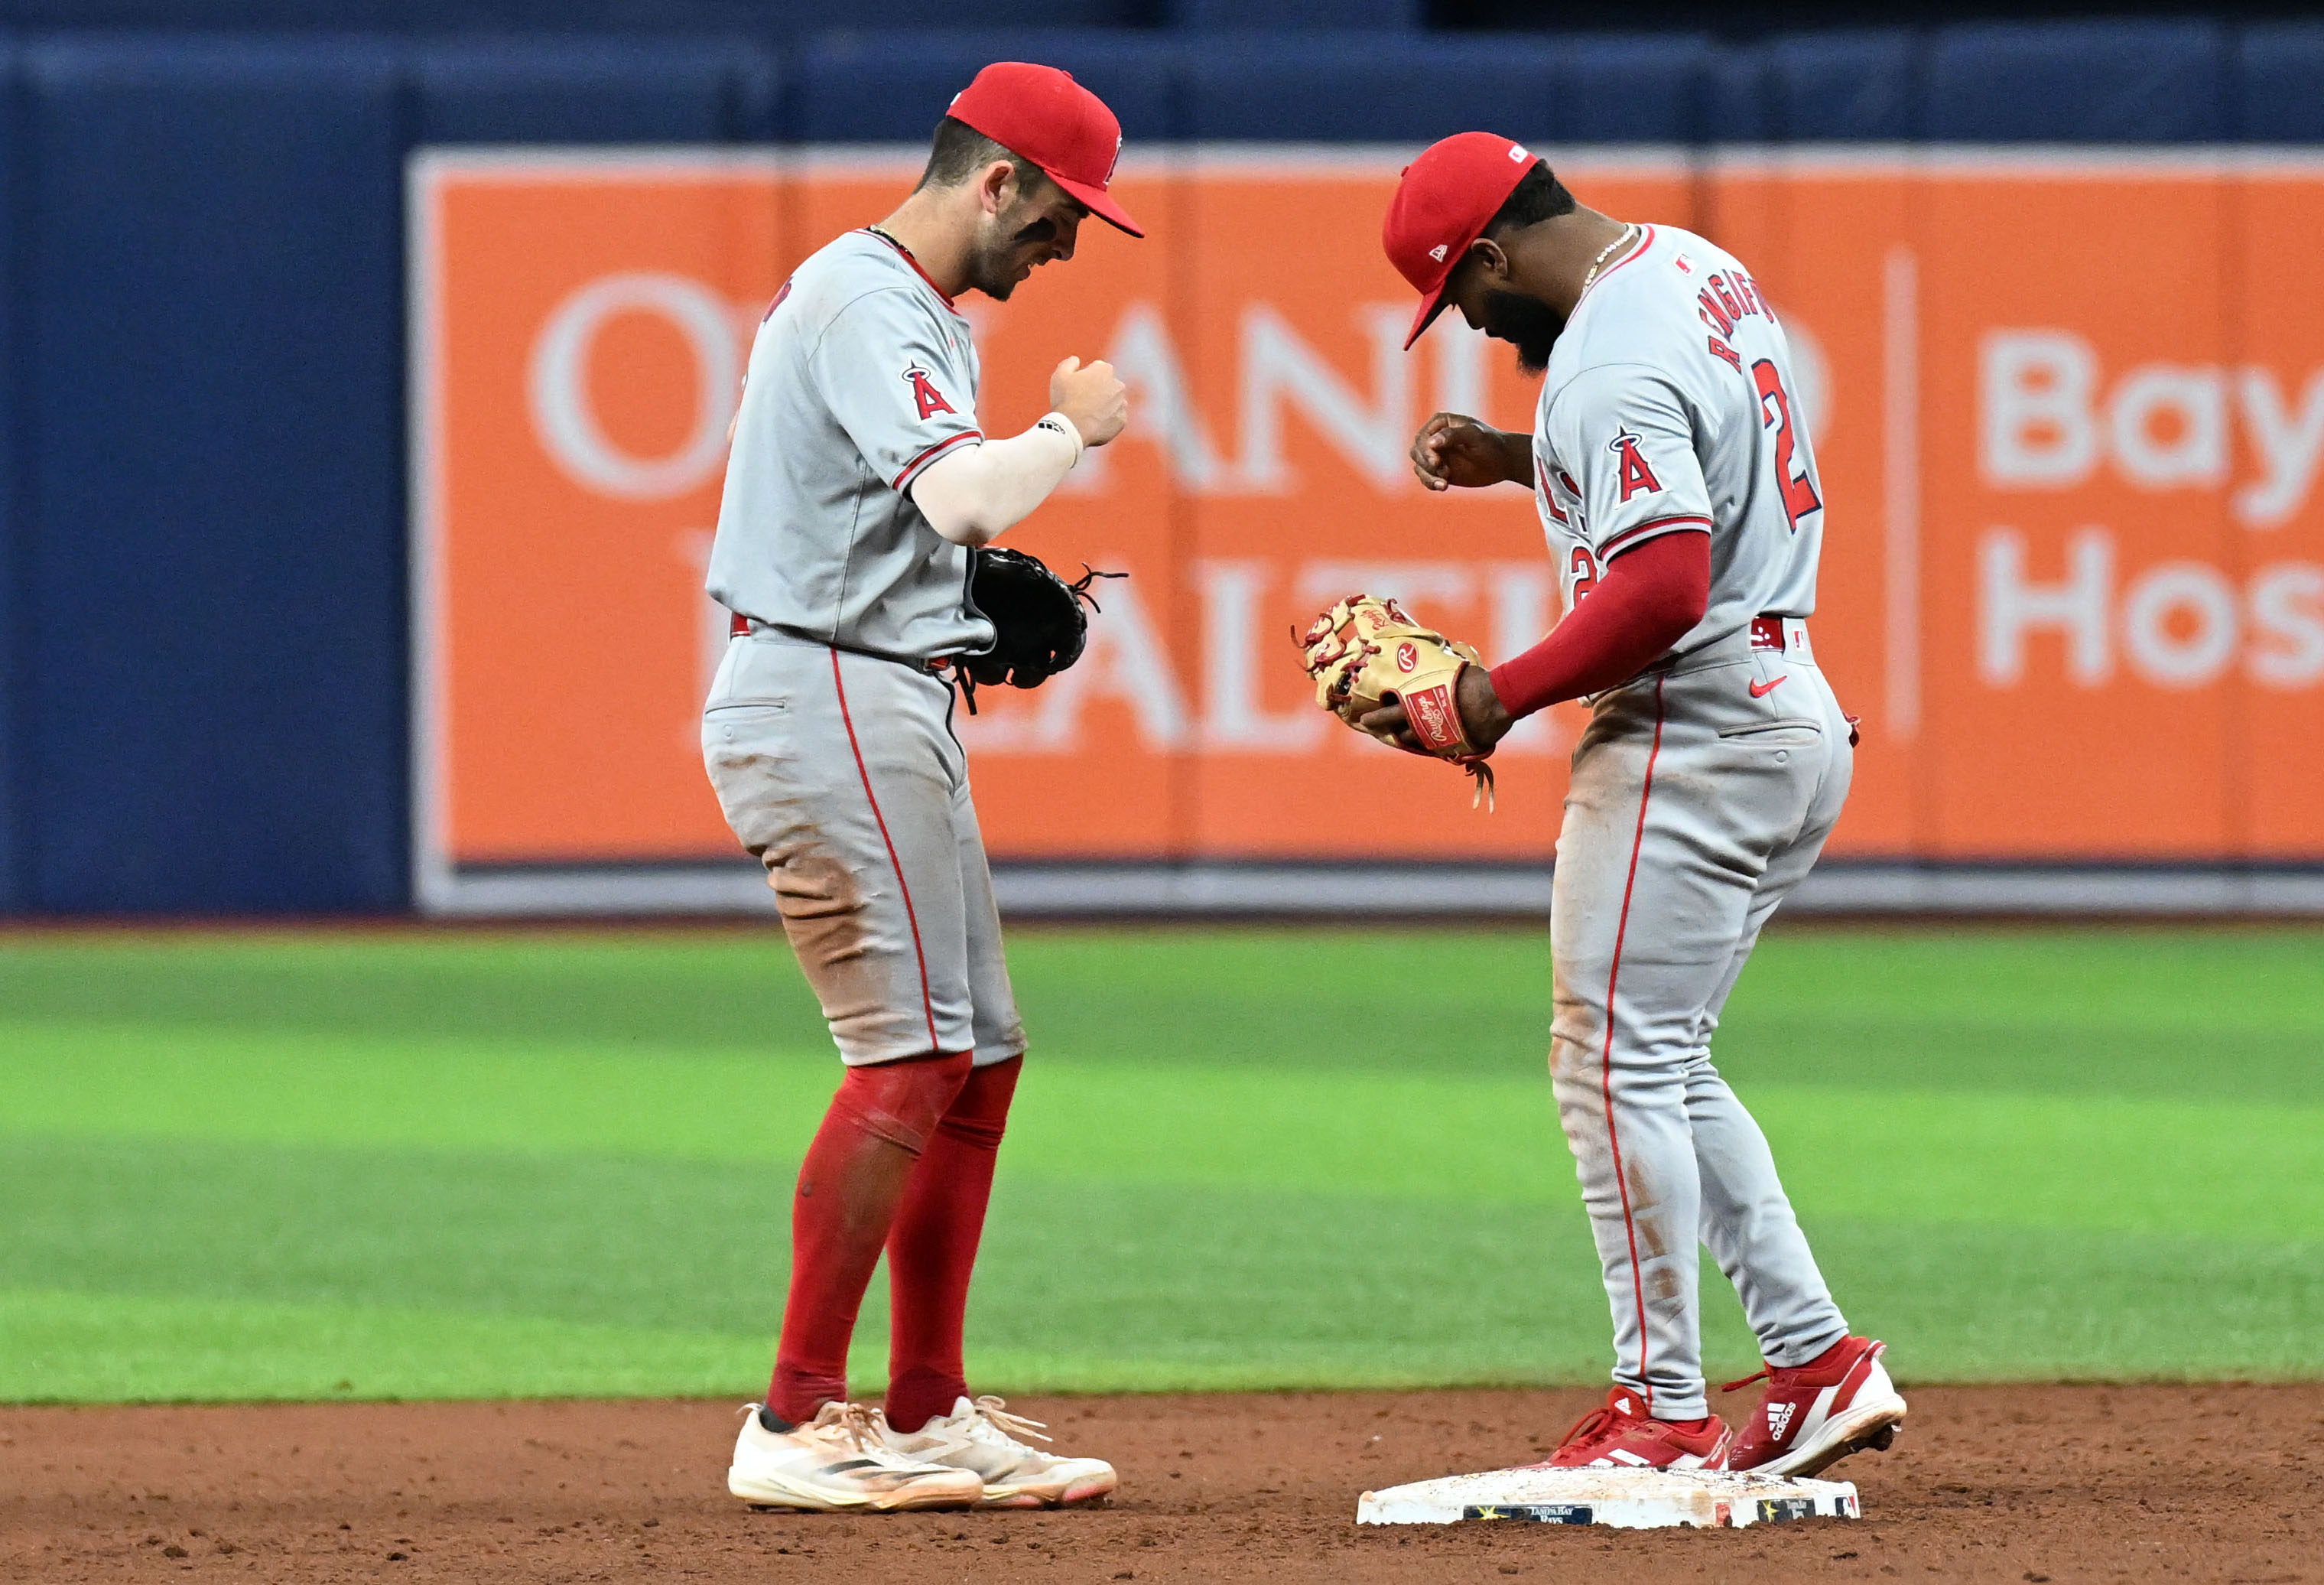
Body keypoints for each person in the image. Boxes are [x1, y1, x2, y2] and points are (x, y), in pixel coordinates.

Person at [1371, 132, 1908, 1477]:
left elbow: (1663, 587)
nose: (1476, 325)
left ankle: (1660, 1413)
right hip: (1788, 707)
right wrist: (1518, 453)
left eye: (1465, 298)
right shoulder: (1687, 265)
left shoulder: (1603, 360)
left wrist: (1497, 695)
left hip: (1696, 722)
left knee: (1608, 1064)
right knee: (1663, 1061)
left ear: (1492, 252)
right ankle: (1817, 1363)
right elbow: (1693, 455)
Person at [700, 60, 1136, 1512]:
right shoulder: (871, 298)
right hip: (825, 687)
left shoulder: (912, 311)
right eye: (1063, 213)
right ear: (995, 176)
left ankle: (928, 1407)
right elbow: (960, 498)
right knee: (906, 1059)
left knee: (977, 1055)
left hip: (875, 683)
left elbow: (922, 524)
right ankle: (793, 1420)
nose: (1068, 246)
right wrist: (1070, 430)